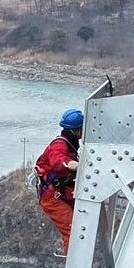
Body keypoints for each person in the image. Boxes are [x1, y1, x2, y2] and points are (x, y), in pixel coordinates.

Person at [35, 109, 83, 256]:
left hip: (61, 193)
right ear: (76, 130)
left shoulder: (69, 144)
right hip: (53, 197)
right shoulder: (60, 146)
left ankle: (79, 264)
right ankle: (75, 267)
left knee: (79, 227)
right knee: (72, 230)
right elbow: (57, 162)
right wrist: (71, 164)